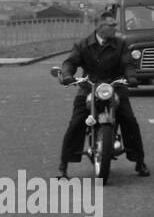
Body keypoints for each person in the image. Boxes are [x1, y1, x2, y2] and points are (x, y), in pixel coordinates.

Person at [58, 11, 148, 178]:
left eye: (115, 25)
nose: (116, 28)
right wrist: (67, 75)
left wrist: (132, 77)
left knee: (129, 120)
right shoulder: (83, 44)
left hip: (114, 86)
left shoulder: (121, 44)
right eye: (112, 25)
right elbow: (70, 62)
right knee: (76, 122)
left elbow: (128, 63)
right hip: (89, 86)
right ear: (100, 27)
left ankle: (139, 162)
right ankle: (64, 166)